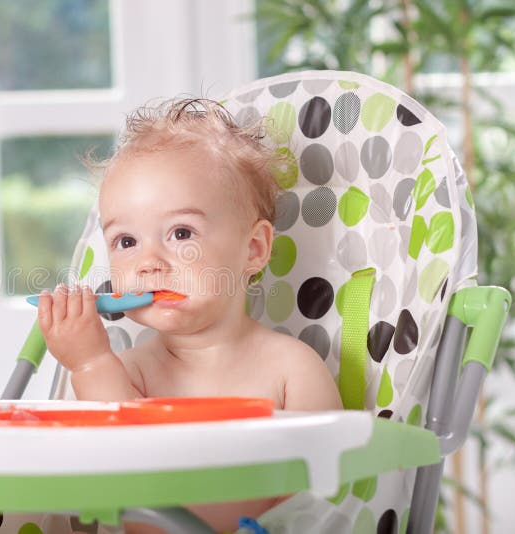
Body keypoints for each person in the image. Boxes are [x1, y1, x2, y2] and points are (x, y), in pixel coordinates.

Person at [36, 98, 343, 534]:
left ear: (253, 249)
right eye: (126, 241)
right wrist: (88, 362)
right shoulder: (129, 373)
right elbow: (111, 464)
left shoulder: (290, 370)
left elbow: (326, 492)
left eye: (181, 233)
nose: (148, 262)